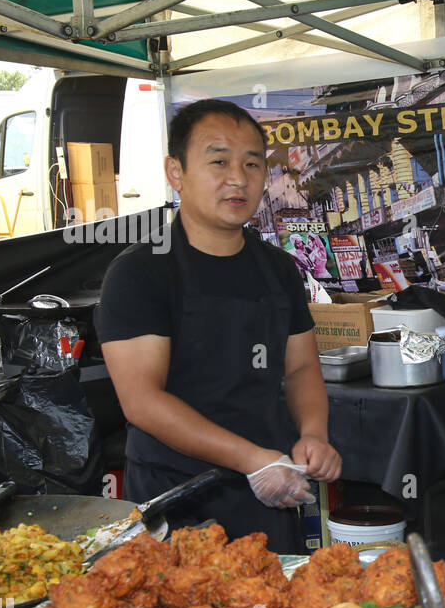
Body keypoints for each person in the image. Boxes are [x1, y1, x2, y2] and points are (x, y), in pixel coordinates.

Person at [96, 99, 342, 553]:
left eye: (252, 163)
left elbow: (303, 369)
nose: (238, 178)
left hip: (269, 488)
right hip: (176, 495)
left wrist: (313, 434)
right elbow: (142, 401)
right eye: (219, 161)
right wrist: (251, 460)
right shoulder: (141, 272)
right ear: (176, 172)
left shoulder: (278, 269)